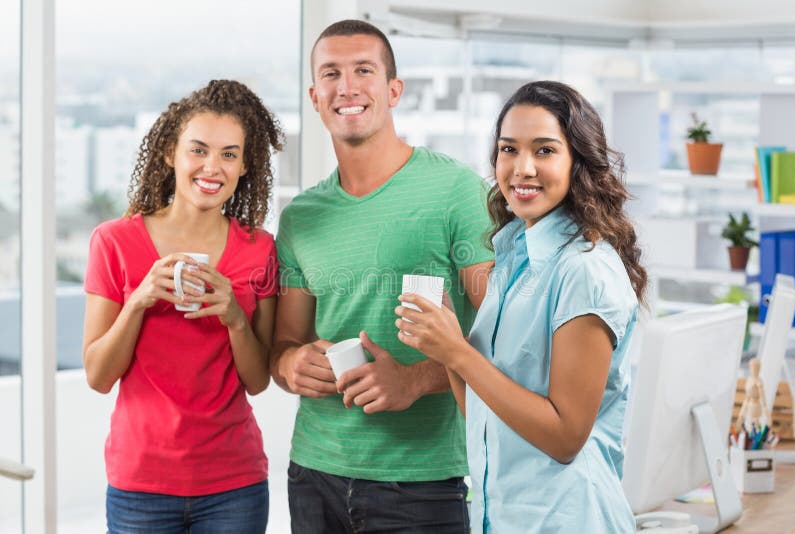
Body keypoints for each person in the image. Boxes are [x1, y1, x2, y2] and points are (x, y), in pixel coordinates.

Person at [272, 19, 494, 533]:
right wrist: (292, 363)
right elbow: (282, 344)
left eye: (363, 71)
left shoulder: (457, 192)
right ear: (314, 95)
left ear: (393, 90)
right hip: (313, 475)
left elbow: (504, 339)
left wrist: (415, 380)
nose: (346, 87)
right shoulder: (300, 217)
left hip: (420, 483)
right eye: (331, 74)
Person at [395, 81, 646, 533]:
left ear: (578, 163)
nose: (522, 167)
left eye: (545, 150)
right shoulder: (513, 254)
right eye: (508, 149)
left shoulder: (583, 270)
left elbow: (565, 437)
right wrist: (448, 345)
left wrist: (458, 353)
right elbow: (486, 418)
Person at [82, 79, 283, 534]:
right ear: (171, 152)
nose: (212, 167)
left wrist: (234, 317)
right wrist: (139, 301)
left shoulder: (260, 249)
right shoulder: (114, 242)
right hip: (141, 484)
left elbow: (258, 380)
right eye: (199, 150)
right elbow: (97, 375)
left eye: (229, 154)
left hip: (235, 484)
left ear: (245, 166)